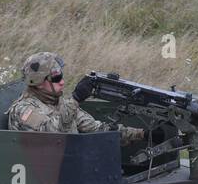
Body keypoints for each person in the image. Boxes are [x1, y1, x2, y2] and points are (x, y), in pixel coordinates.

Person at [8, 52, 145, 144]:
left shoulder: (58, 102)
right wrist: (75, 99)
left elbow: (95, 129)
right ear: (38, 82)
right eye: (56, 78)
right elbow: (53, 133)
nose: (62, 81)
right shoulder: (23, 111)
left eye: (61, 75)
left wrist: (140, 134)